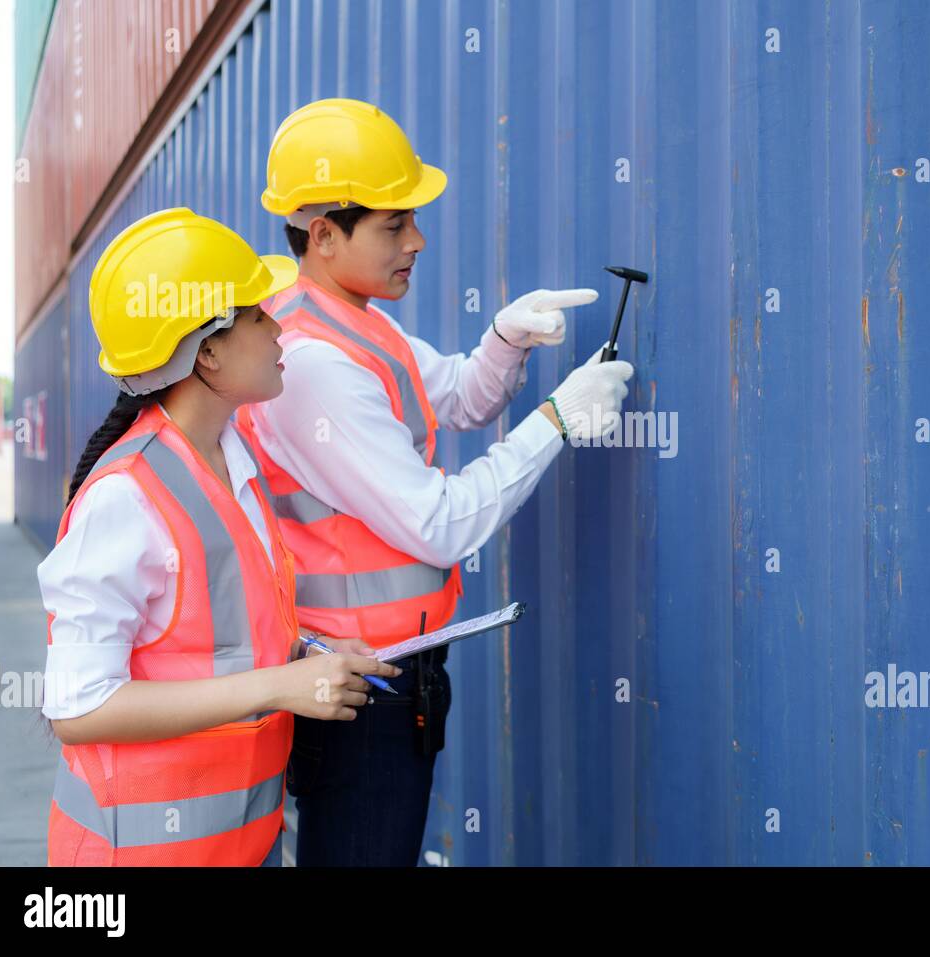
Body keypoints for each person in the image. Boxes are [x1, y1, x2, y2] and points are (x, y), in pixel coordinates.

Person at [236, 98, 634, 865]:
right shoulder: (312, 363)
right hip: (360, 697)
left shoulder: (352, 318)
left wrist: (505, 340)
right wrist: (556, 419)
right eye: (394, 224)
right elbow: (442, 523)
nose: (417, 240)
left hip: (388, 681)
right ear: (323, 234)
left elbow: (459, 395)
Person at [38, 207, 402, 866]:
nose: (278, 328)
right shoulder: (126, 496)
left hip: (240, 843)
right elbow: (78, 706)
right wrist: (277, 688)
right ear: (208, 352)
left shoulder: (232, 462)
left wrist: (305, 650)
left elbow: (218, 638)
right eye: (261, 316)